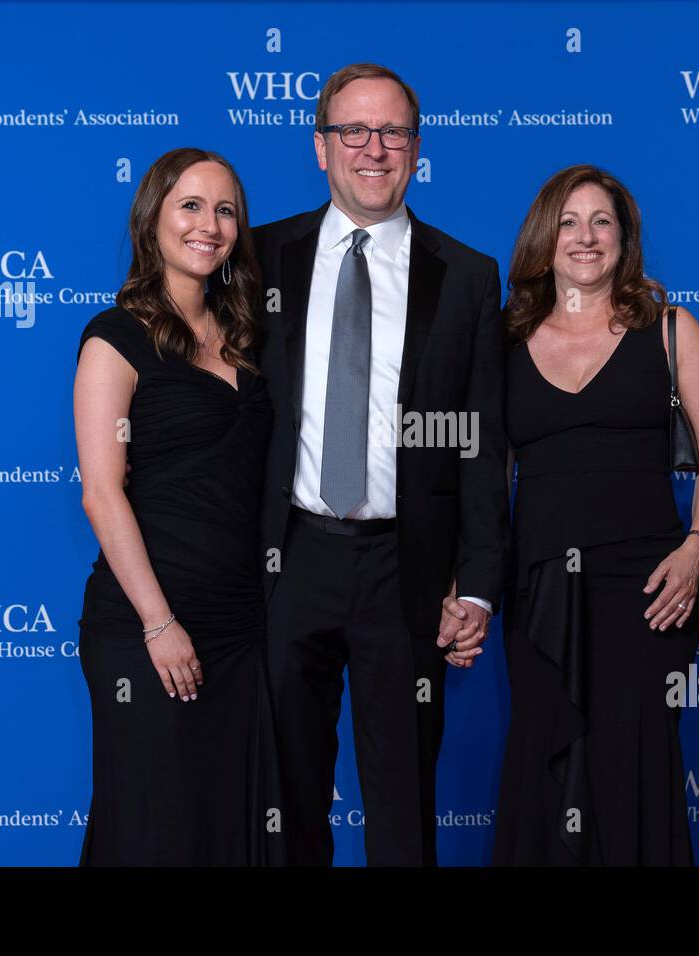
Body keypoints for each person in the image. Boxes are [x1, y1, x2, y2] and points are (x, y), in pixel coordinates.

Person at [252, 63, 509, 866]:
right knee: (285, 793)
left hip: (409, 566)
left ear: (417, 148)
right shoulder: (260, 259)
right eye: (353, 132)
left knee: (402, 801)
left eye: (392, 132)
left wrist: (475, 581)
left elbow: (479, 438)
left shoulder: (466, 275)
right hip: (289, 556)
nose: (374, 149)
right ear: (320, 147)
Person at [472, 164, 699, 865]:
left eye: (602, 222)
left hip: (649, 591)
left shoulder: (672, 331)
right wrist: (473, 587)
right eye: (569, 222)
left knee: (635, 759)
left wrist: (694, 548)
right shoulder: (502, 340)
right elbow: (489, 486)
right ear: (543, 238)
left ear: (625, 238)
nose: (585, 237)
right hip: (540, 590)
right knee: (545, 755)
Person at [73, 147, 282, 865]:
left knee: (230, 833)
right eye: (190, 205)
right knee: (155, 833)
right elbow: (102, 494)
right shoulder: (114, 338)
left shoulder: (254, 337)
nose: (210, 224)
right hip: (147, 627)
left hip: (242, 628)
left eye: (226, 209)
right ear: (152, 219)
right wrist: (159, 624)